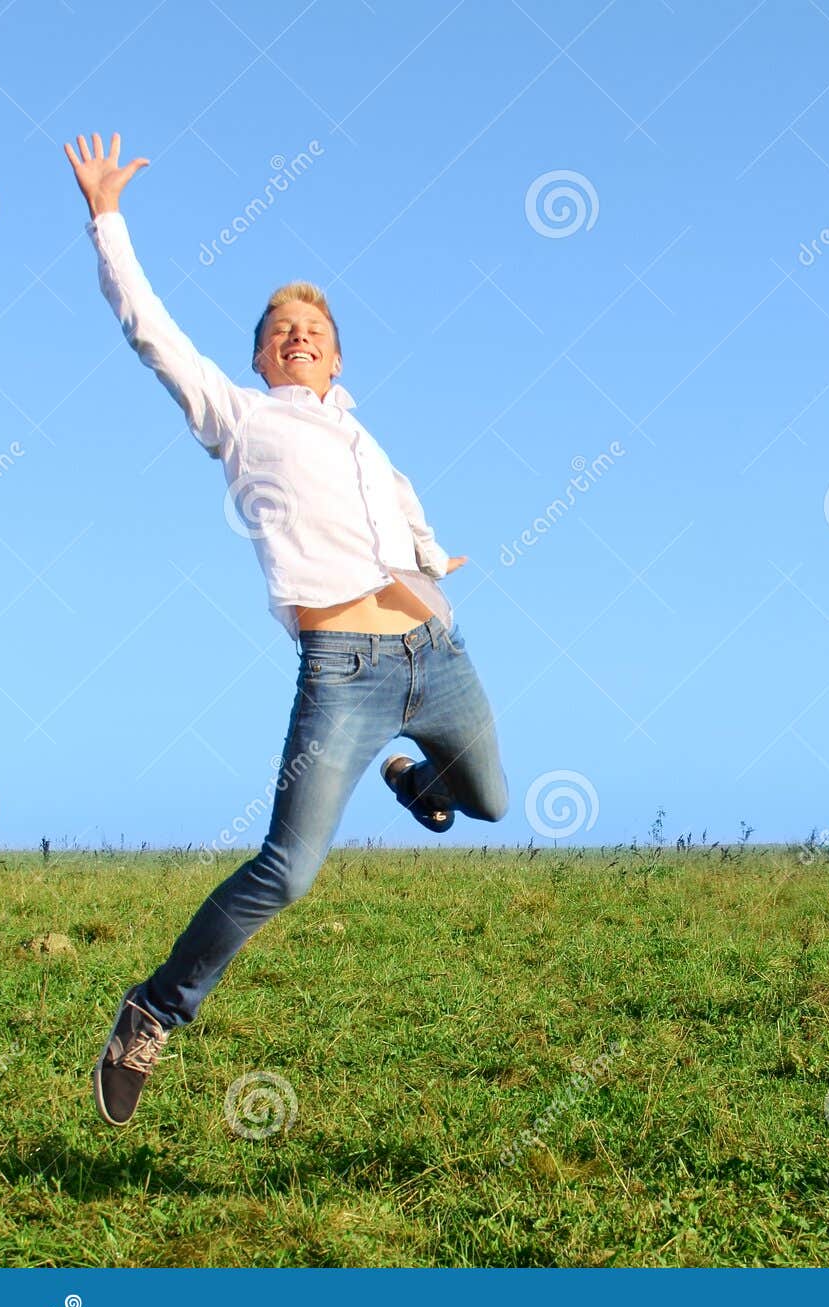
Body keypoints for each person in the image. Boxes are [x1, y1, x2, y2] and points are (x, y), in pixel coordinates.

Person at [64, 132, 509, 1128]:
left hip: (435, 654)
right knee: (288, 869)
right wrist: (106, 216)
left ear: (337, 353)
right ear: (260, 355)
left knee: (488, 799)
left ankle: (414, 777)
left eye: (311, 323)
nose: (294, 331)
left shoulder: (362, 432)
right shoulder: (236, 413)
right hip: (342, 671)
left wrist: (435, 556)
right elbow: (148, 326)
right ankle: (150, 1013)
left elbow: (397, 499)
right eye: (277, 325)